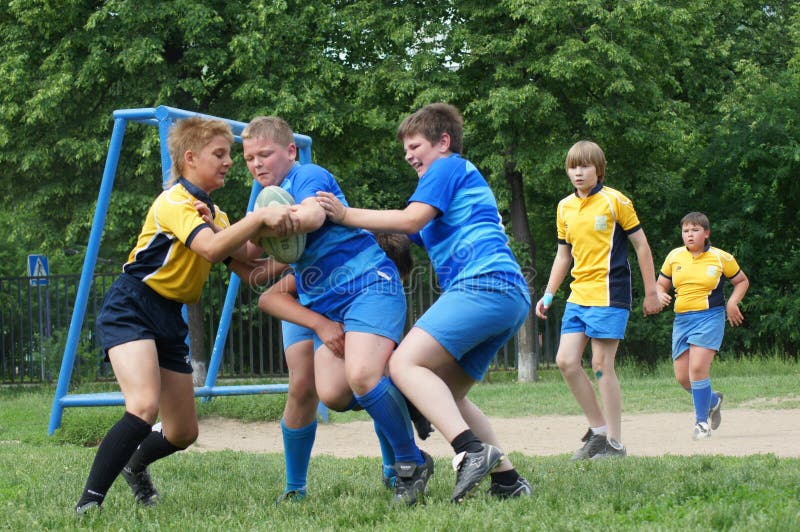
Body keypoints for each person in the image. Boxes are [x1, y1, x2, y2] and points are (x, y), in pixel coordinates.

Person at [74, 117, 298, 514]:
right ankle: (88, 504)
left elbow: (250, 267)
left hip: (168, 317)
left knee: (182, 432)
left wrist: (298, 253)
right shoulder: (173, 201)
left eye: (230, 154)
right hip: (132, 306)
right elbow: (211, 249)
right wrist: (260, 219)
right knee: (143, 407)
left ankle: (134, 464)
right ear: (190, 158)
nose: (230, 162)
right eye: (220, 154)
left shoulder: (218, 215)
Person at [316, 102, 532, 502]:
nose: (409, 155)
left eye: (415, 145)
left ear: (443, 142)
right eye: (406, 149)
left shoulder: (447, 168)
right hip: (507, 296)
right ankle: (508, 481)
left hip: (483, 285)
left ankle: (469, 450)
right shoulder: (444, 193)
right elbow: (396, 238)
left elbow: (408, 220)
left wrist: (343, 213)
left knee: (402, 364)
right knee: (447, 395)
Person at [241, 116, 432, 506]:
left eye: (265, 154)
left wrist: (282, 221)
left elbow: (312, 214)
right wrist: (209, 230)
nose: (256, 164)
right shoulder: (267, 203)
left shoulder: (307, 176)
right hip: (327, 305)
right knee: (331, 393)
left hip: (369, 286)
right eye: (248, 158)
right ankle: (401, 394)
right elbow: (249, 262)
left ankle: (410, 464)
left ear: (290, 151)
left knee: (362, 375)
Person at [257, 232, 431, 502]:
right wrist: (319, 324)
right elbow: (268, 293)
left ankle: (396, 467)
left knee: (373, 376)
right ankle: (295, 487)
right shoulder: (338, 258)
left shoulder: (376, 285)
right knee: (303, 384)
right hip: (304, 308)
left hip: (347, 310)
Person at [534, 140, 662, 461]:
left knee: (602, 365)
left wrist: (651, 291)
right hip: (579, 295)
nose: (578, 172)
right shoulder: (564, 207)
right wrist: (549, 293)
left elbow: (642, 246)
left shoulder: (615, 201)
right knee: (565, 361)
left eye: (585, 166)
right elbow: (564, 255)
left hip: (610, 293)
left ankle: (615, 445)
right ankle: (599, 432)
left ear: (598, 169)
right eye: (573, 166)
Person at [656, 212, 749, 440]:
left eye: (695, 230)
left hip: (710, 317)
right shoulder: (674, 256)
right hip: (682, 320)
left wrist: (732, 303)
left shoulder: (721, 258)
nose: (689, 234)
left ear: (706, 233)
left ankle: (701, 424)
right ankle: (713, 401)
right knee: (682, 377)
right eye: (686, 230)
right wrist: (659, 294)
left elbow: (741, 281)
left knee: (697, 369)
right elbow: (660, 284)